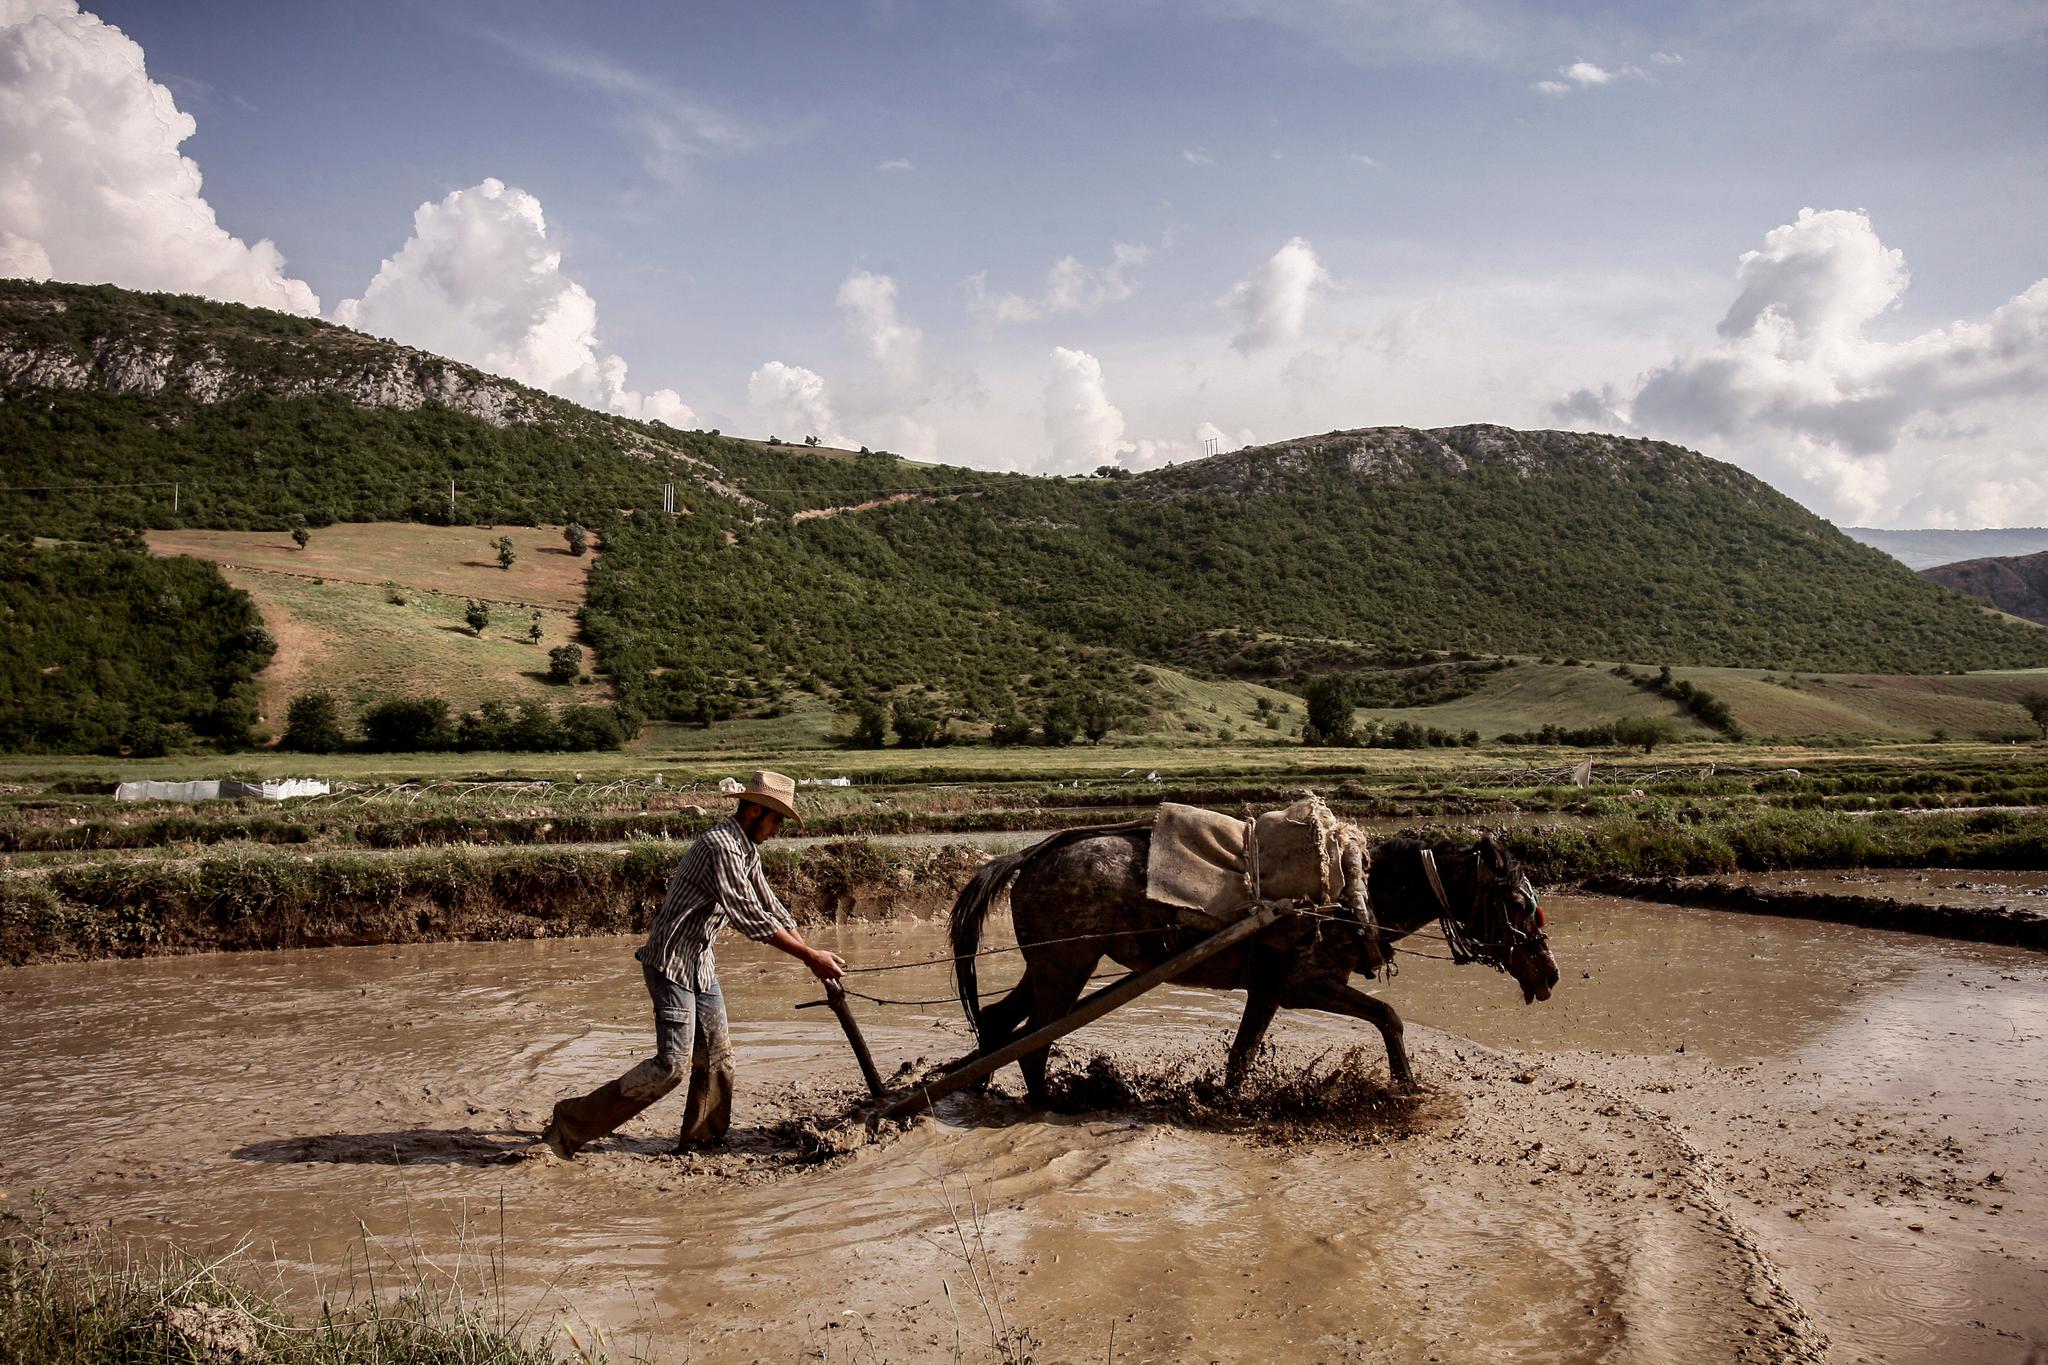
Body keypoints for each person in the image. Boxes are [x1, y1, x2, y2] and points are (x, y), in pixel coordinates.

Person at [540, 770, 846, 1159]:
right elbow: (749, 916)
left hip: (700, 964)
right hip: (671, 965)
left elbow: (771, 907)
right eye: (777, 820)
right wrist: (810, 957)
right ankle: (569, 1125)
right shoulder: (721, 847)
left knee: (718, 1058)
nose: (777, 829)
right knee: (671, 1065)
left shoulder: (745, 848)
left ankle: (704, 1142)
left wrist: (813, 960)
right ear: (755, 811)